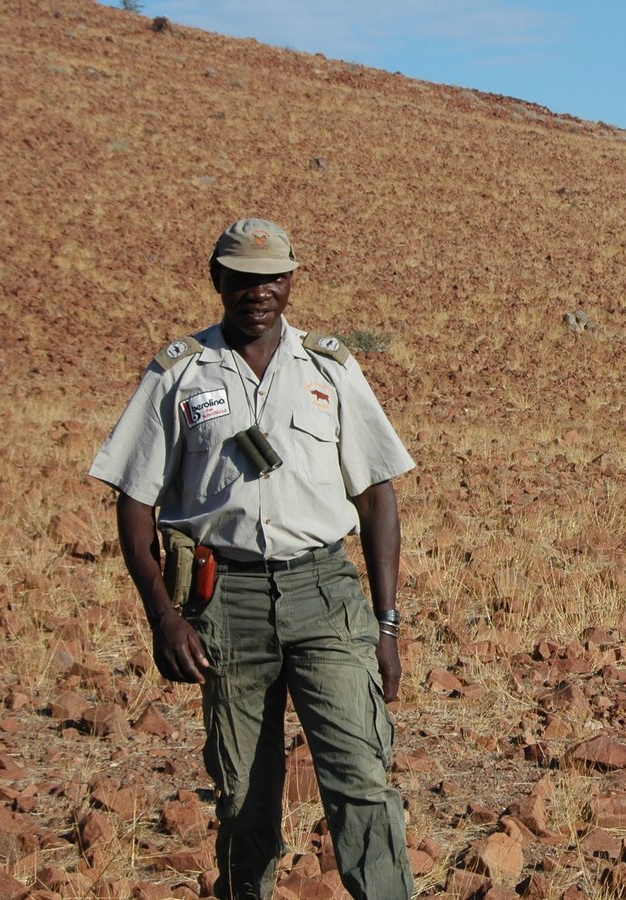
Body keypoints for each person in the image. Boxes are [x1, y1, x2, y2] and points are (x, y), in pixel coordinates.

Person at [90, 218, 416, 900]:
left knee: (360, 780)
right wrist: (163, 617)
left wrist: (387, 624)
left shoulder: (330, 367)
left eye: (271, 278)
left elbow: (376, 495)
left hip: (324, 595)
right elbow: (134, 500)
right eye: (241, 277)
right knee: (243, 797)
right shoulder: (180, 372)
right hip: (226, 602)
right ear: (217, 279)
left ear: (291, 280)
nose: (257, 292)